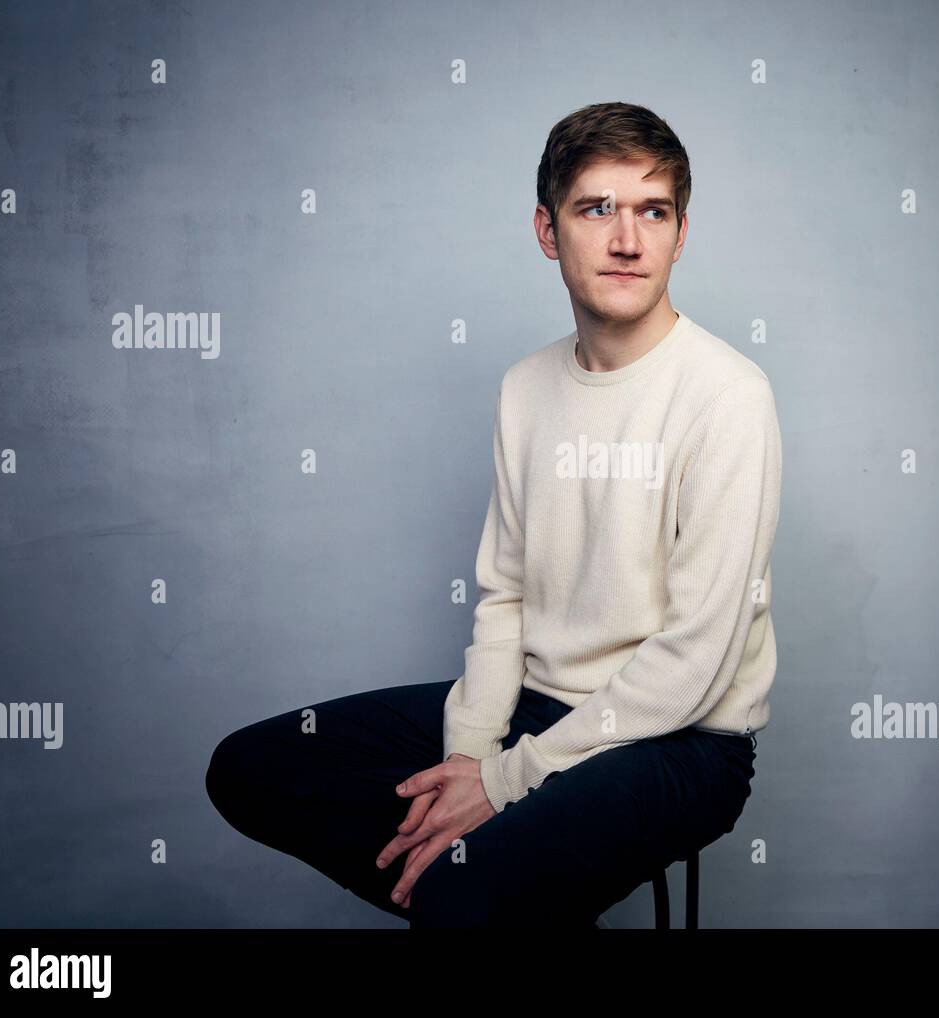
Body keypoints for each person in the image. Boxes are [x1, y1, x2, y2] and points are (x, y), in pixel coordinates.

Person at [205, 100, 783, 928]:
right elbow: (506, 595)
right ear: (549, 231)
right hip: (541, 705)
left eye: (653, 212)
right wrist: (472, 755)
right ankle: (497, 898)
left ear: (680, 233)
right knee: (252, 767)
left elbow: (693, 663)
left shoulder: (728, 397)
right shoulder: (526, 387)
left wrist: (507, 782)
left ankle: (479, 898)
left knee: (463, 896)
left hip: (681, 742)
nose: (628, 240)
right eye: (597, 210)